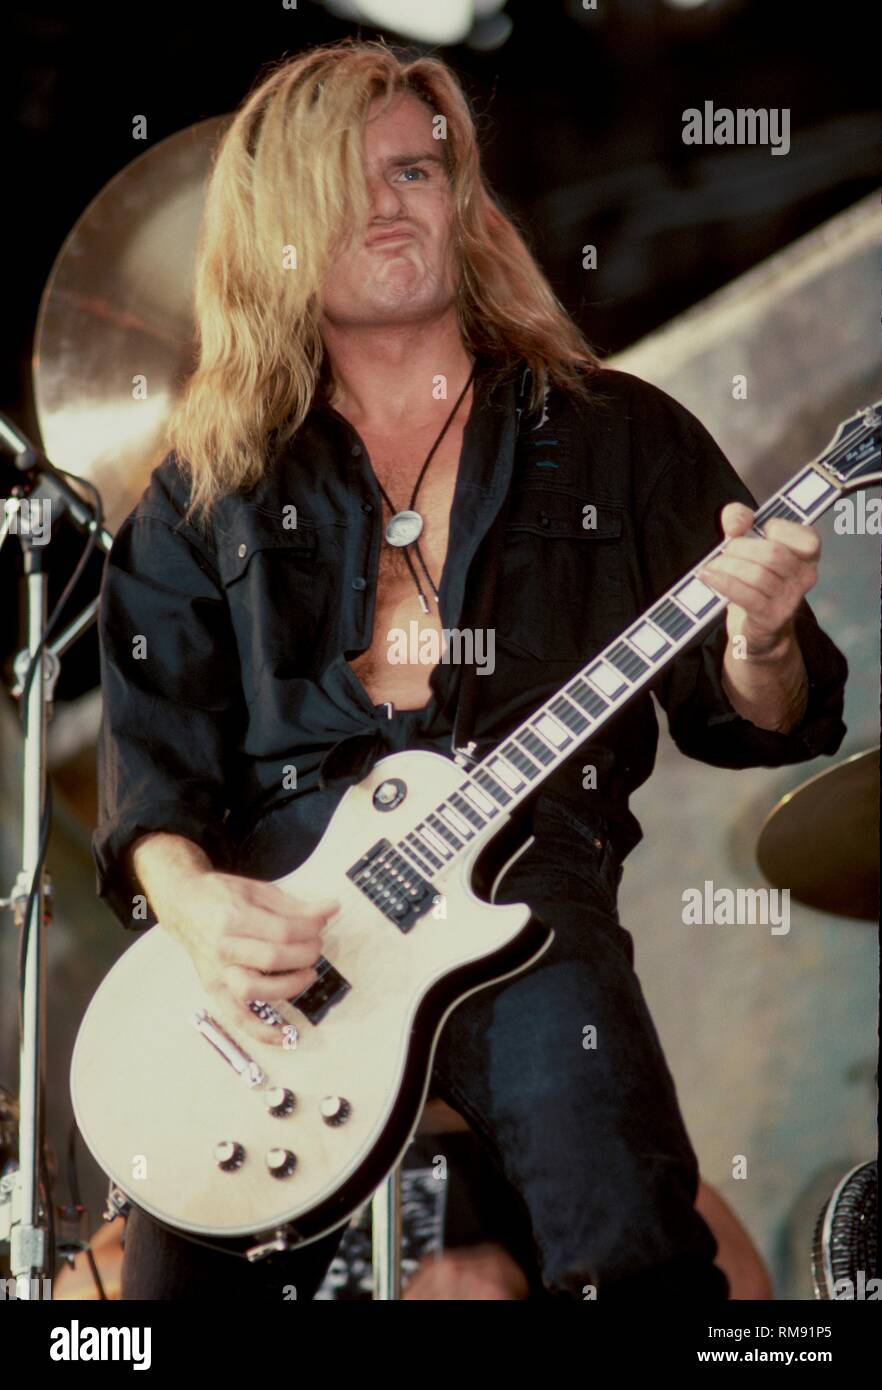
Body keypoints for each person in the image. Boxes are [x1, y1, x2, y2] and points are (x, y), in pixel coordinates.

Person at [92, 40, 847, 1301]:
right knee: (162, 1295)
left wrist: (763, 639)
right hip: (270, 930)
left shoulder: (616, 434)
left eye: (418, 171)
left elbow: (764, 719)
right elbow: (153, 762)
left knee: (633, 1245)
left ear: (461, 200)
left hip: (526, 890)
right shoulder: (207, 486)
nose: (393, 202)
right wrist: (195, 903)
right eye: (352, 181)